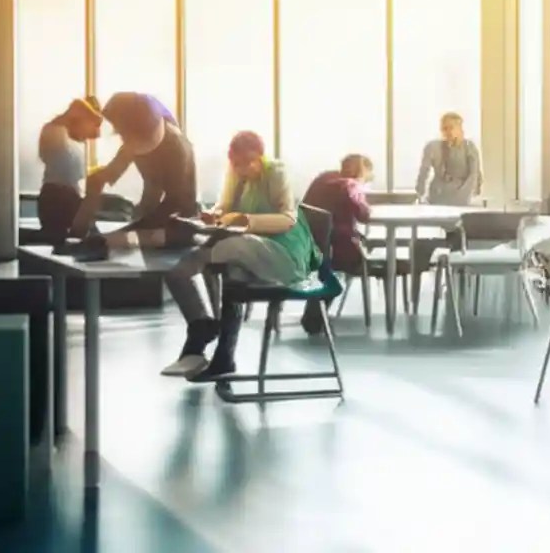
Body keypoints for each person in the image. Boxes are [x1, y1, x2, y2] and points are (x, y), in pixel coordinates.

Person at [161, 131, 321, 379]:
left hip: (284, 253)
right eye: (236, 163)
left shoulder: (276, 173)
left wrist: (246, 220)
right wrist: (214, 214)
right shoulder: (235, 174)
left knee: (228, 250)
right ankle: (222, 354)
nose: (241, 168)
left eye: (248, 162)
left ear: (261, 157)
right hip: (250, 250)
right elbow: (224, 206)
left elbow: (288, 219)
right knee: (231, 271)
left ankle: (204, 331)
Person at [68, 92, 197, 243]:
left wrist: (132, 228)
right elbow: (111, 172)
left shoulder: (177, 149)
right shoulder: (134, 141)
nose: (120, 135)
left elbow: (175, 201)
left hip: (180, 223)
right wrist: (95, 188)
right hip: (152, 211)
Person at [300, 154, 374, 334]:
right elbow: (364, 215)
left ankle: (314, 316)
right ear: (362, 171)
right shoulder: (350, 185)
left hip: (307, 246)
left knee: (325, 270)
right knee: (352, 264)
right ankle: (315, 317)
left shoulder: (322, 179)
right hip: (340, 252)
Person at [36, 97, 103, 243]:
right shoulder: (54, 131)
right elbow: (76, 105)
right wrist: (95, 116)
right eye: (91, 122)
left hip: (72, 198)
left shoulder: (77, 144)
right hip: (55, 198)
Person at [415, 112, 482, 206]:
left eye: (451, 128)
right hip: (437, 196)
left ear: (459, 129)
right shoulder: (433, 147)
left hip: (462, 196)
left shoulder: (469, 147)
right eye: (444, 128)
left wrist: (463, 197)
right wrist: (419, 195)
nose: (448, 132)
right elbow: (423, 171)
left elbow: (474, 175)